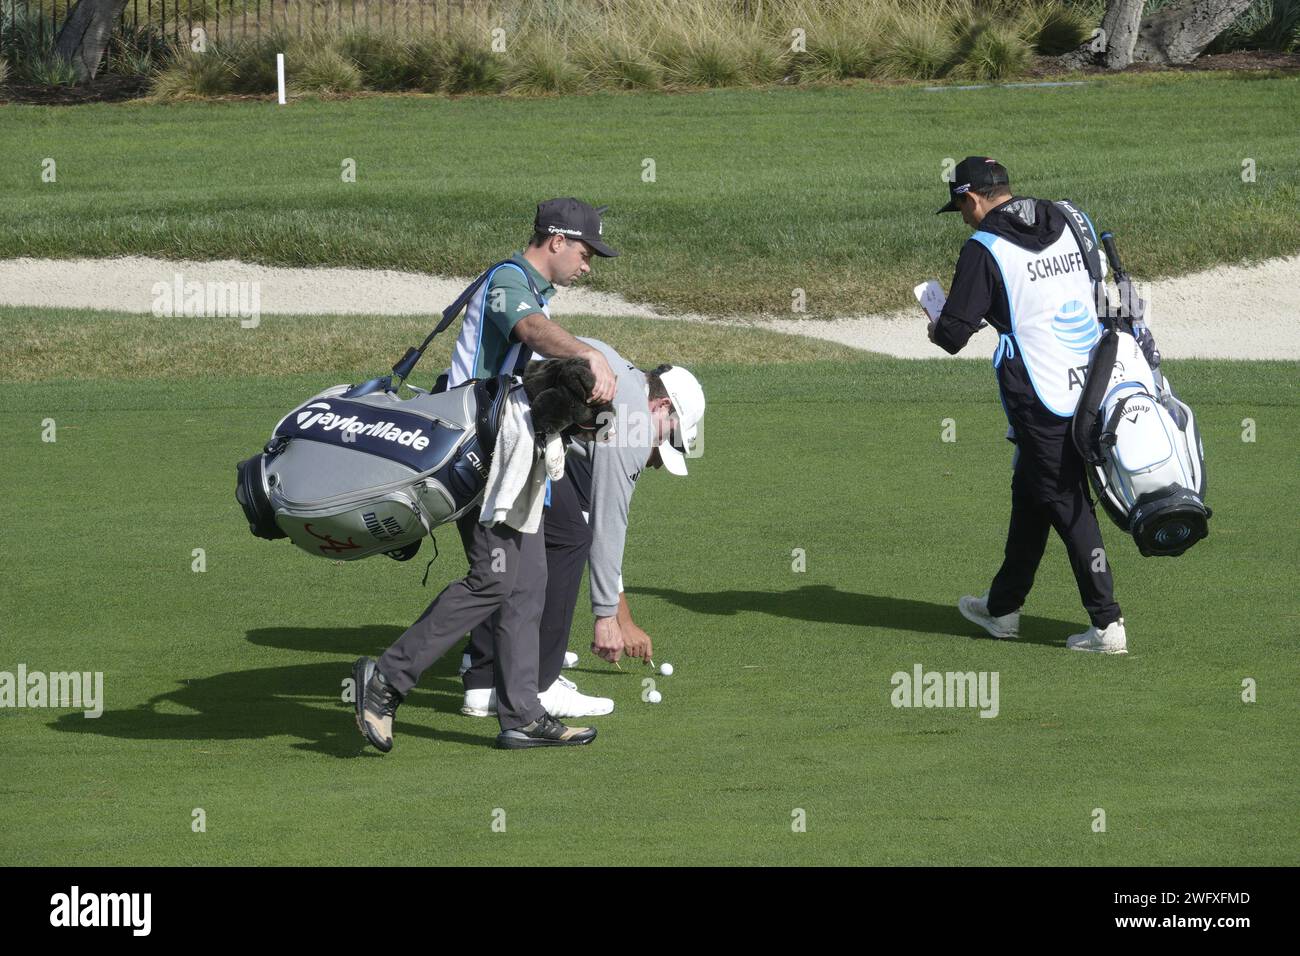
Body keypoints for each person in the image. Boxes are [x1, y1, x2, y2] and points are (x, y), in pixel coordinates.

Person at [352, 198, 623, 753]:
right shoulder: (509, 279)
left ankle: (521, 713)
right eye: (585, 251)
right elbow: (529, 329)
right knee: (495, 578)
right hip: (476, 459)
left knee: (530, 584)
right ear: (556, 240)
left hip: (514, 459)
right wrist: (587, 356)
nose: (588, 264)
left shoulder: (533, 290)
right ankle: (384, 681)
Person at [929, 157, 1127, 654]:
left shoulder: (983, 247)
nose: (963, 218)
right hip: (1096, 379)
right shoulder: (1065, 216)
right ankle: (1002, 609)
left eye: (960, 208)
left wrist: (935, 321)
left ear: (971, 199)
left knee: (1065, 500)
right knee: (1033, 493)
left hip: (1040, 394)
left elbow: (953, 334)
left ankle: (1107, 623)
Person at [460, 341, 705, 717]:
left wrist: (621, 616)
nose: (658, 459)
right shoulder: (633, 426)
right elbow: (609, 524)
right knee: (567, 541)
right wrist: (608, 618)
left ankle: (485, 676)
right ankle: (538, 682)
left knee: (537, 545)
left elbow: (597, 522)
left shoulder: (621, 381)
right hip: (501, 432)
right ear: (662, 406)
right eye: (669, 437)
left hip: (488, 419)